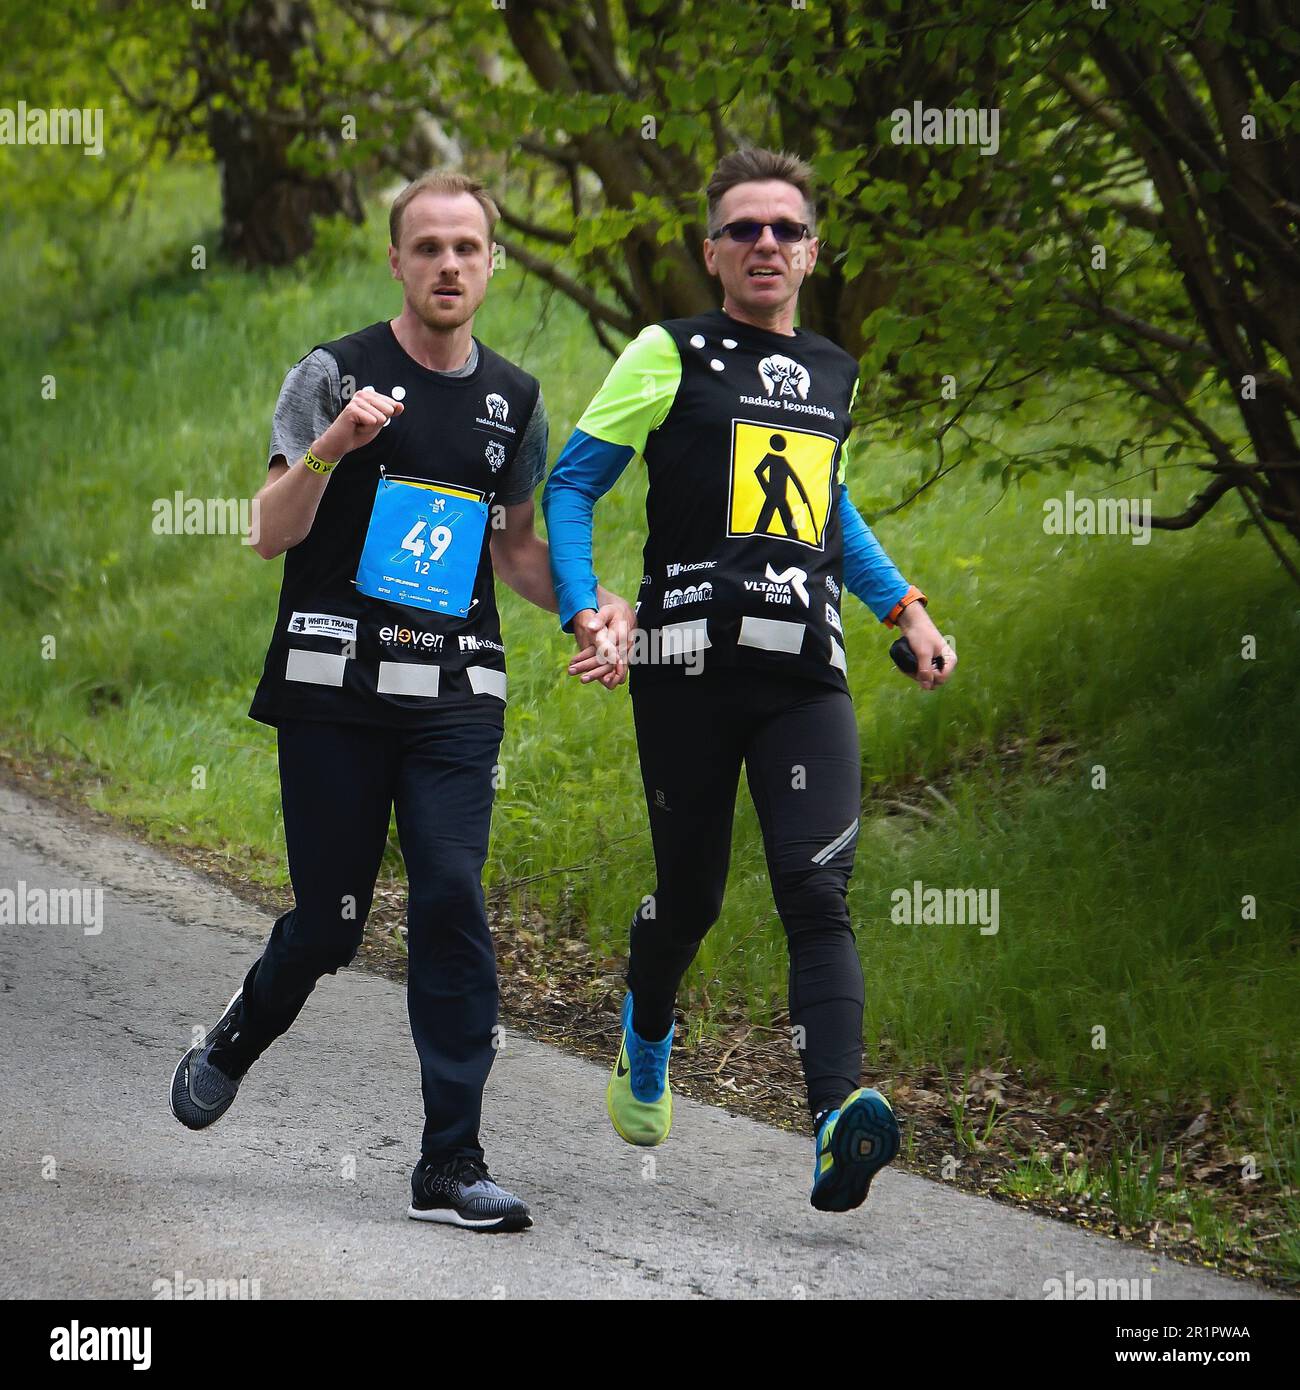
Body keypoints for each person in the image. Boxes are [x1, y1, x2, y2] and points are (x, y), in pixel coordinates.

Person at [169, 170, 632, 1233]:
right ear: (395, 260)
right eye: (427, 247)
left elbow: (514, 547)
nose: (448, 265)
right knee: (331, 923)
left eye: (467, 247)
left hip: (454, 693)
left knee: (451, 894)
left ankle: (449, 1163)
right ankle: (240, 1032)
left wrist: (587, 608)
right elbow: (267, 531)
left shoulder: (511, 397)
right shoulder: (333, 373)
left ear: (492, 263)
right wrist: (334, 446)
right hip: (335, 688)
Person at [543, 147, 957, 1213]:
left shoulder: (830, 371)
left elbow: (828, 507)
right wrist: (585, 605)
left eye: (784, 229)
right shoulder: (665, 352)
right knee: (689, 897)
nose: (765, 244)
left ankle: (831, 1120)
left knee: (815, 891)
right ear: (710, 250)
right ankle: (647, 1018)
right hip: (681, 665)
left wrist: (902, 610)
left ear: (812, 251)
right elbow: (574, 484)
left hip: (805, 676)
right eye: (743, 229)